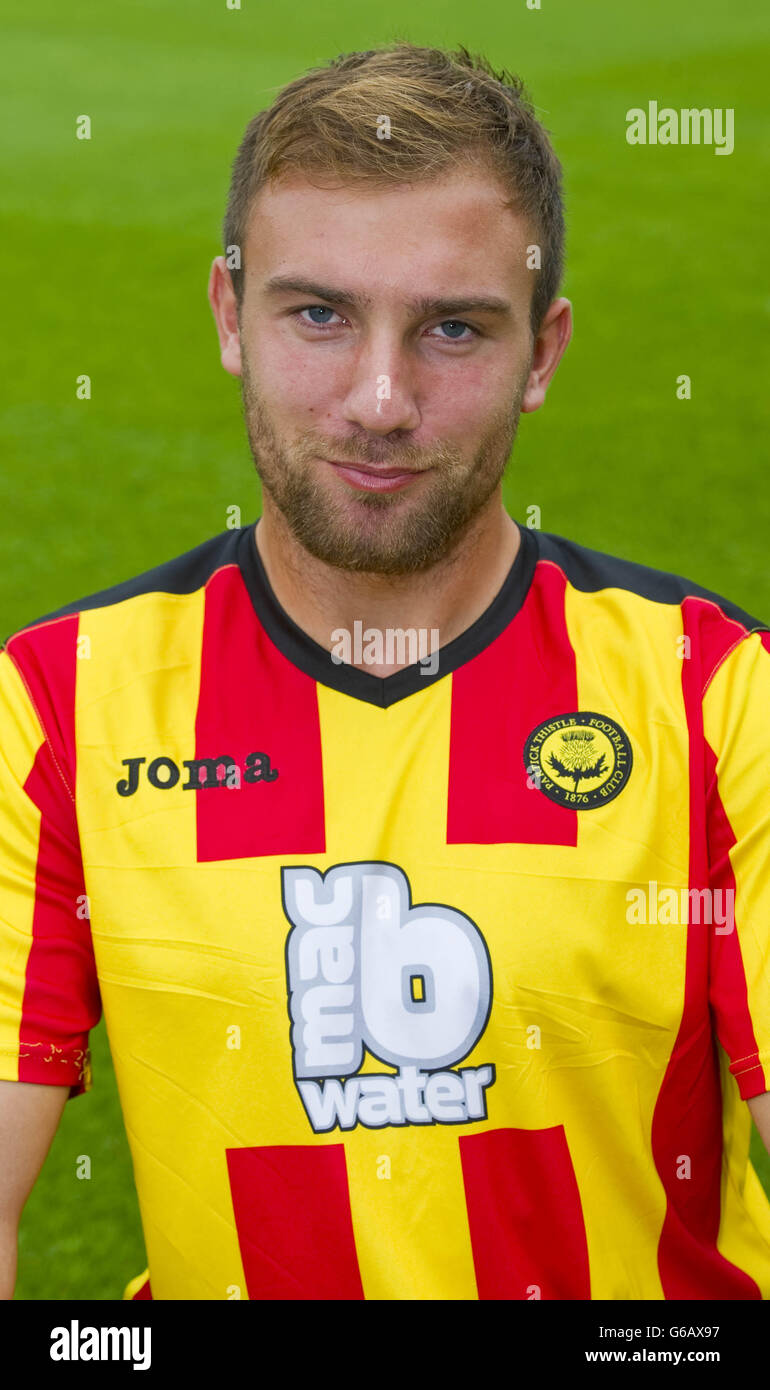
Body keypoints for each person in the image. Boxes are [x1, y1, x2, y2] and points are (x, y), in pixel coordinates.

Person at [1, 41, 769, 1302]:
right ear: (225, 318)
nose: (377, 399)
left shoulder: (714, 694)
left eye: (452, 328)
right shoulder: (57, 708)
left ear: (542, 352)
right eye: (318, 313)